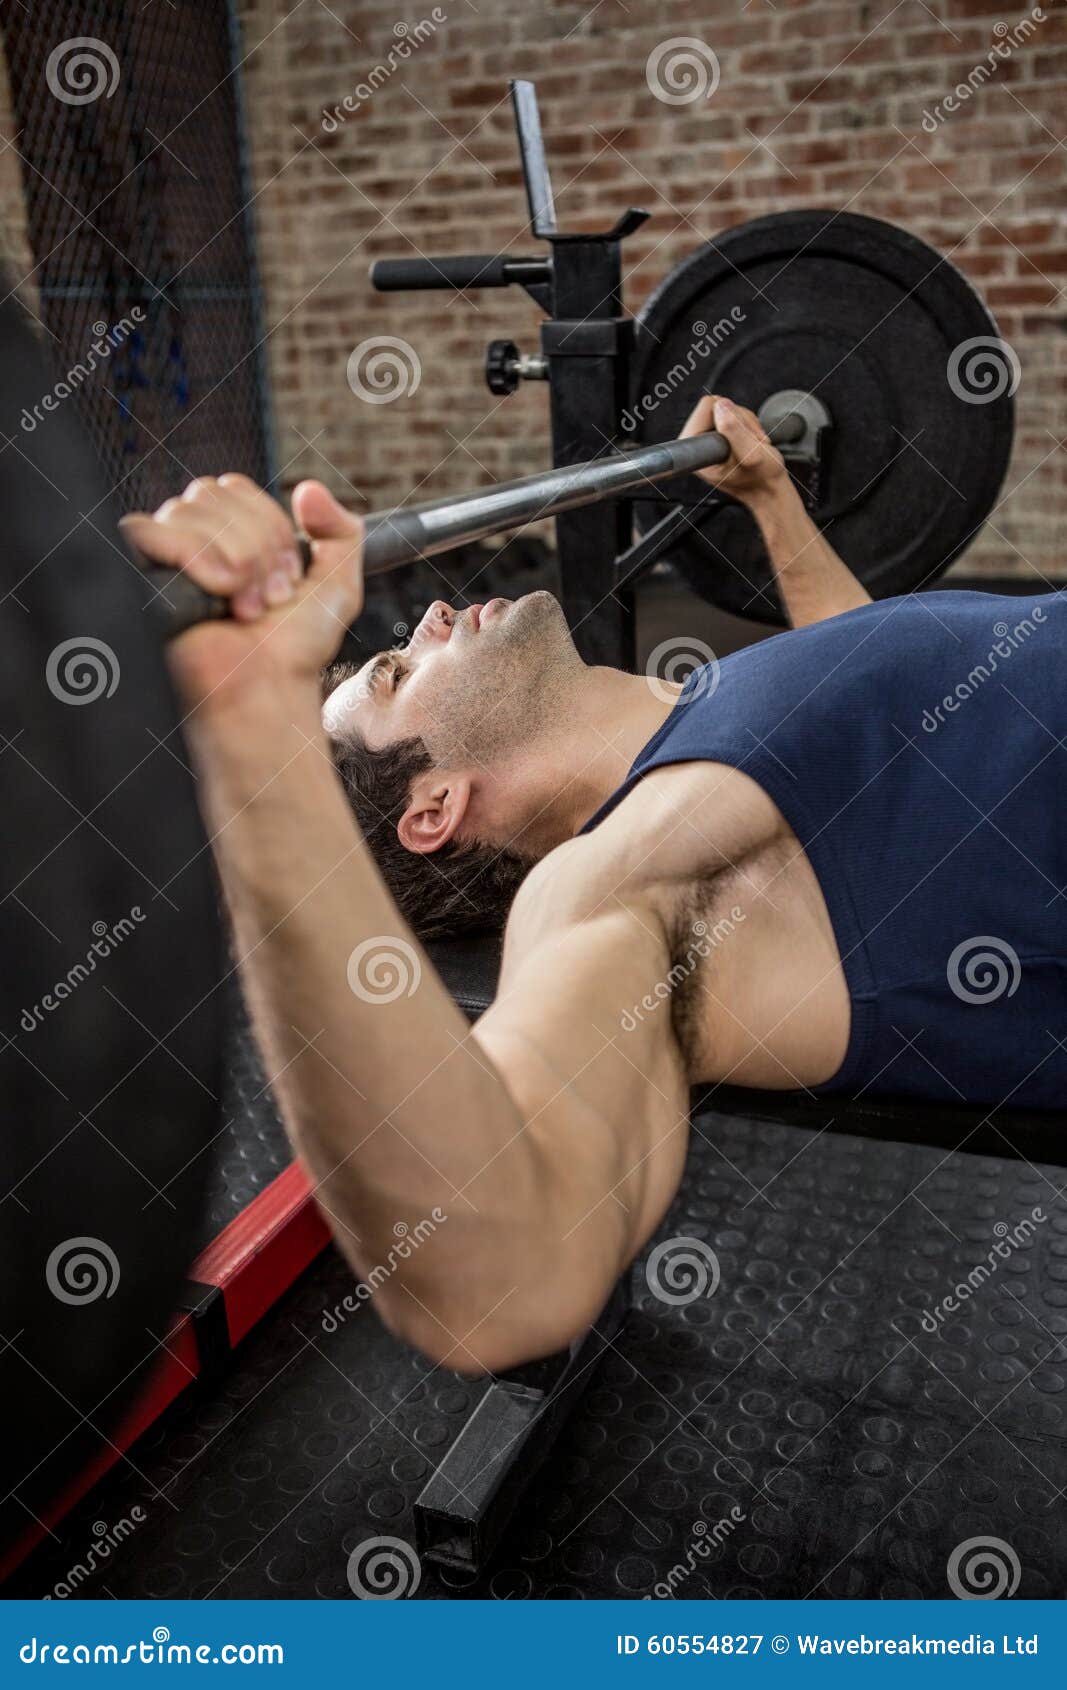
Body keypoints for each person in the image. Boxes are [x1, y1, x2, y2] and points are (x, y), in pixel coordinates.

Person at [121, 397, 1067, 1376]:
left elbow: (898, 710)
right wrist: (258, 728)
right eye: (401, 669)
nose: (435, 614)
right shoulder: (622, 876)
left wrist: (770, 501)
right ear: (432, 805)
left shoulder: (707, 718)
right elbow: (494, 1278)